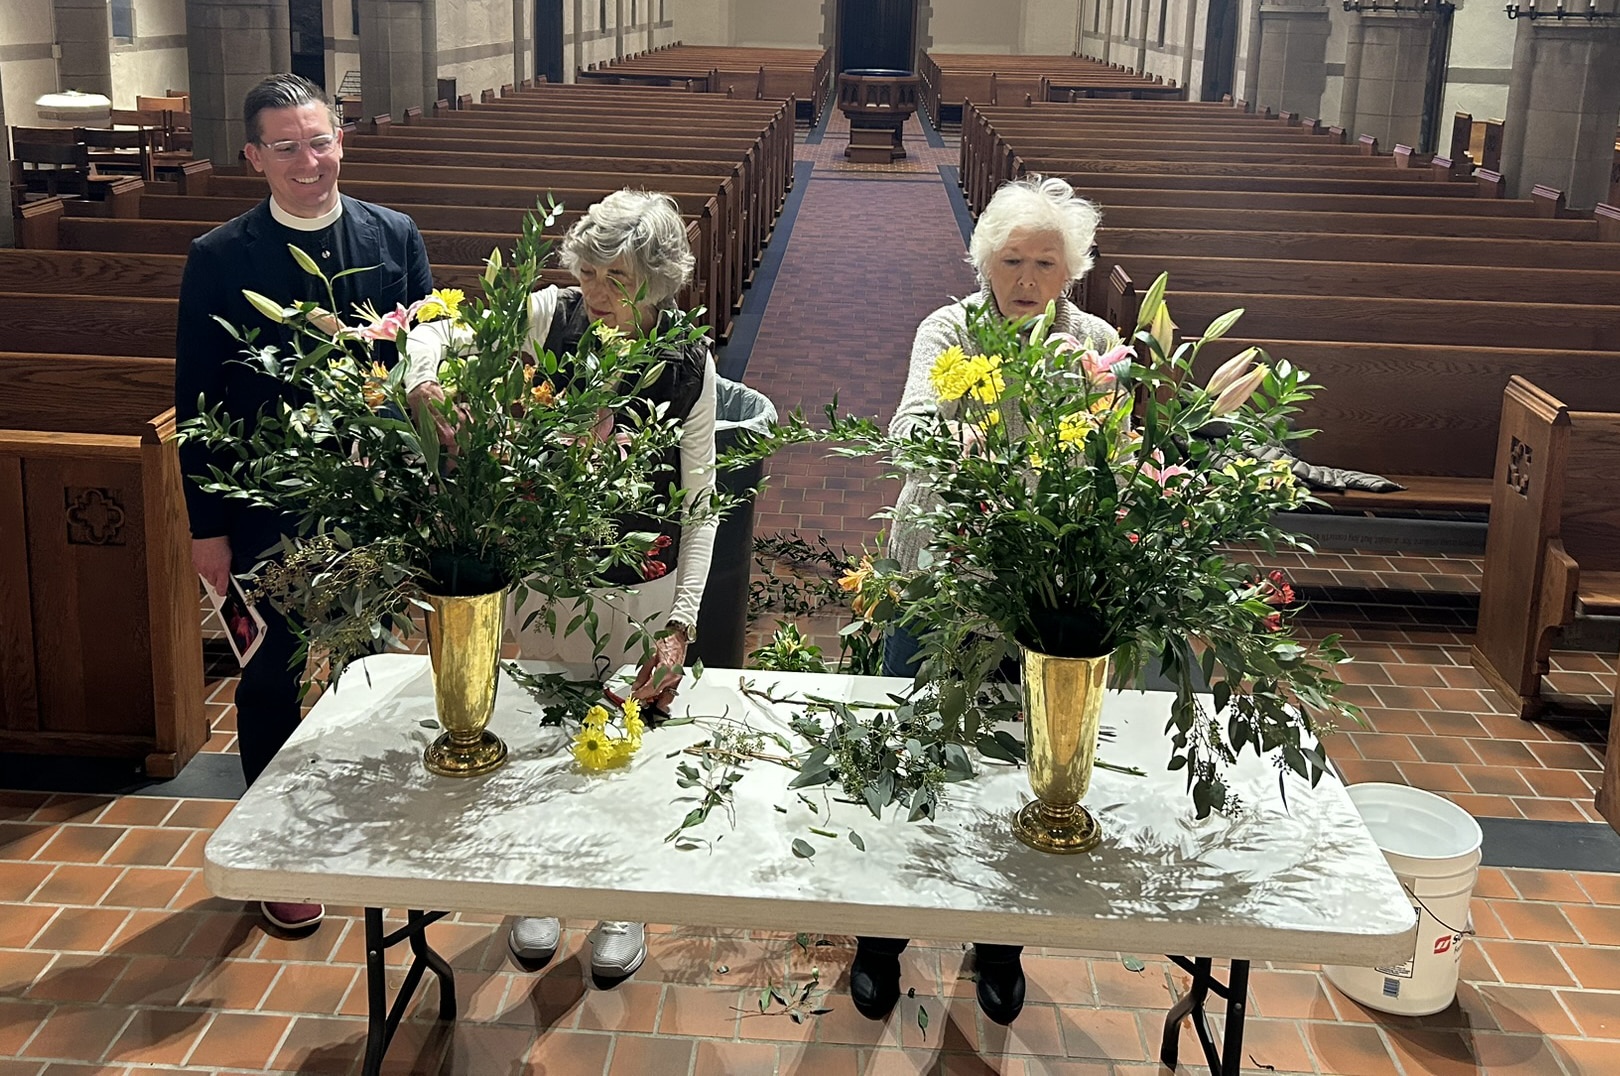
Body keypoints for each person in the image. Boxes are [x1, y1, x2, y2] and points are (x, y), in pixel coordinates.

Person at [404, 189, 718, 989]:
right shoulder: (552, 314)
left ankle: (620, 898)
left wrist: (679, 624)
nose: (598, 292)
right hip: (546, 573)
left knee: (623, 748)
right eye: (588, 271)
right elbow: (436, 330)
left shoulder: (687, 360)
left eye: (616, 276)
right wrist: (426, 379)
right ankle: (536, 883)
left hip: (640, 584)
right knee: (541, 738)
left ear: (657, 278)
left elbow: (700, 500)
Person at [175, 74, 433, 934]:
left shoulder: (393, 237)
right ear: (254, 156)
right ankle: (275, 847)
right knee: (274, 669)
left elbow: (424, 370)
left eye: (318, 140)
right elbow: (198, 395)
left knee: (371, 661)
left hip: (376, 496)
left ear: (341, 139)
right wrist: (205, 527)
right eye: (284, 146)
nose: (307, 161)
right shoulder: (219, 259)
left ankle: (361, 813)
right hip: (264, 508)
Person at [864, 174, 1120, 1026]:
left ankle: (999, 943)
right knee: (911, 749)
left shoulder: (1096, 341)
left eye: (1046, 261)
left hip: (1038, 591)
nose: (1026, 278)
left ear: (1072, 269)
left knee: (1021, 759)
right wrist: (955, 431)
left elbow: (1108, 467)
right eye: (1011, 259)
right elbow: (904, 434)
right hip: (939, 578)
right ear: (984, 263)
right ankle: (881, 936)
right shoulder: (947, 329)